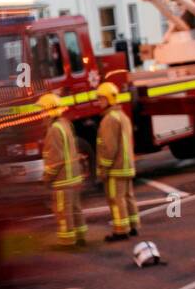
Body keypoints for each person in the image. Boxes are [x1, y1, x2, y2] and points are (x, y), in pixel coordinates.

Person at [39, 92, 86, 248]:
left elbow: (54, 161)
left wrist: (47, 178)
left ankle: (67, 241)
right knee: (75, 209)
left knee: (63, 211)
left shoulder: (53, 130)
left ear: (48, 111)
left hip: (62, 180)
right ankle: (80, 237)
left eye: (42, 111)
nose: (41, 115)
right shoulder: (65, 124)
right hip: (74, 178)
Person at [94, 83, 138, 242]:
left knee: (116, 199)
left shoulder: (108, 120)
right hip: (126, 166)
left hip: (115, 169)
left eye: (101, 98)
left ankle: (121, 231)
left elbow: (109, 148)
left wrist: (103, 168)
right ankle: (133, 226)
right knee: (128, 197)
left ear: (110, 99)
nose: (99, 101)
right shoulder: (123, 116)